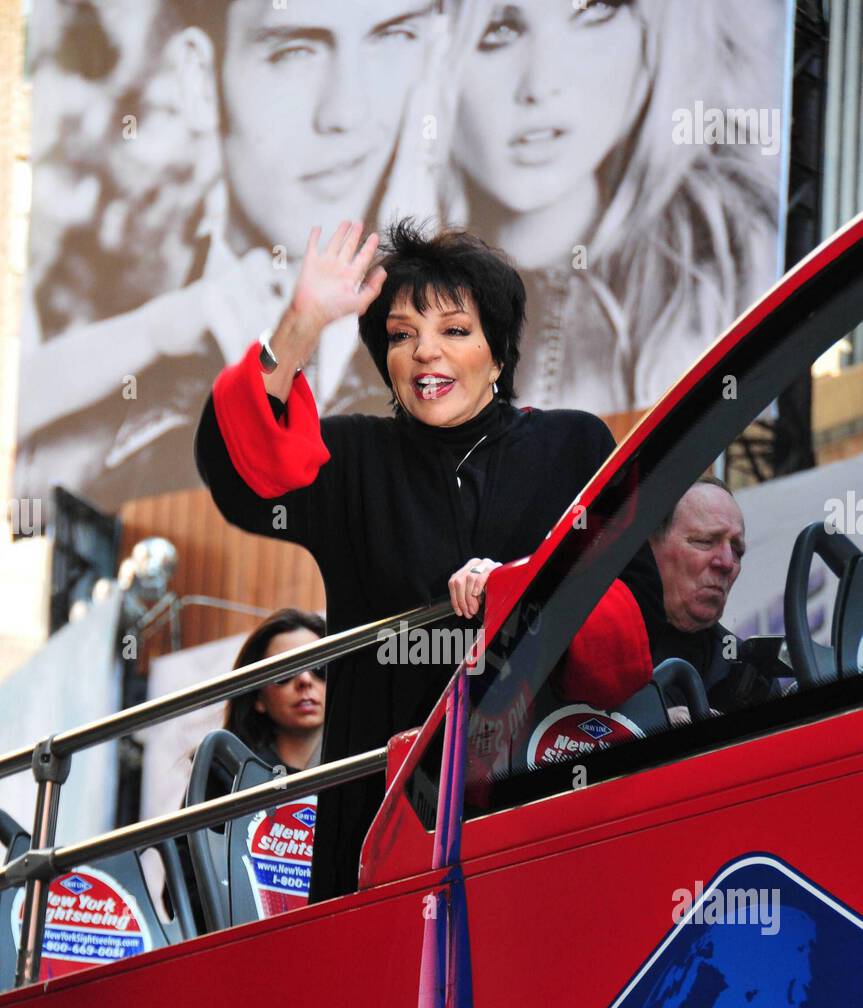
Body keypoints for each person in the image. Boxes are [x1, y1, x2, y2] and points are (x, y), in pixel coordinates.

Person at [195, 217, 663, 902]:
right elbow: (244, 476)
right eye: (401, 335)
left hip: (539, 793)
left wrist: (519, 586)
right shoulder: (354, 459)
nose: (424, 353)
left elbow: (635, 616)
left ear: (498, 352)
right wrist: (301, 322)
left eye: (453, 330)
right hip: (383, 815)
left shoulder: (572, 447)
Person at [16, 0, 447, 511]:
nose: (347, 114)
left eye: (393, 37)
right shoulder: (99, 393)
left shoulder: (482, 352)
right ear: (200, 79)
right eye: (294, 51)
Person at [443, 0, 782, 415]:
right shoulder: (375, 298)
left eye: (593, 11)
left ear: (655, 34)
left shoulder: (734, 263)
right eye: (497, 30)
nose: (541, 82)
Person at [168, 608, 326, 927]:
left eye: (321, 666)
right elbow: (185, 889)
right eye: (286, 670)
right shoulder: (224, 774)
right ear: (258, 697)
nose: (305, 680)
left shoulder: (365, 770)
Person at [649, 477, 779, 714]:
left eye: (737, 551)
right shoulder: (598, 653)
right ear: (649, 545)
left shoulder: (750, 677)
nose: (727, 563)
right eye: (705, 541)